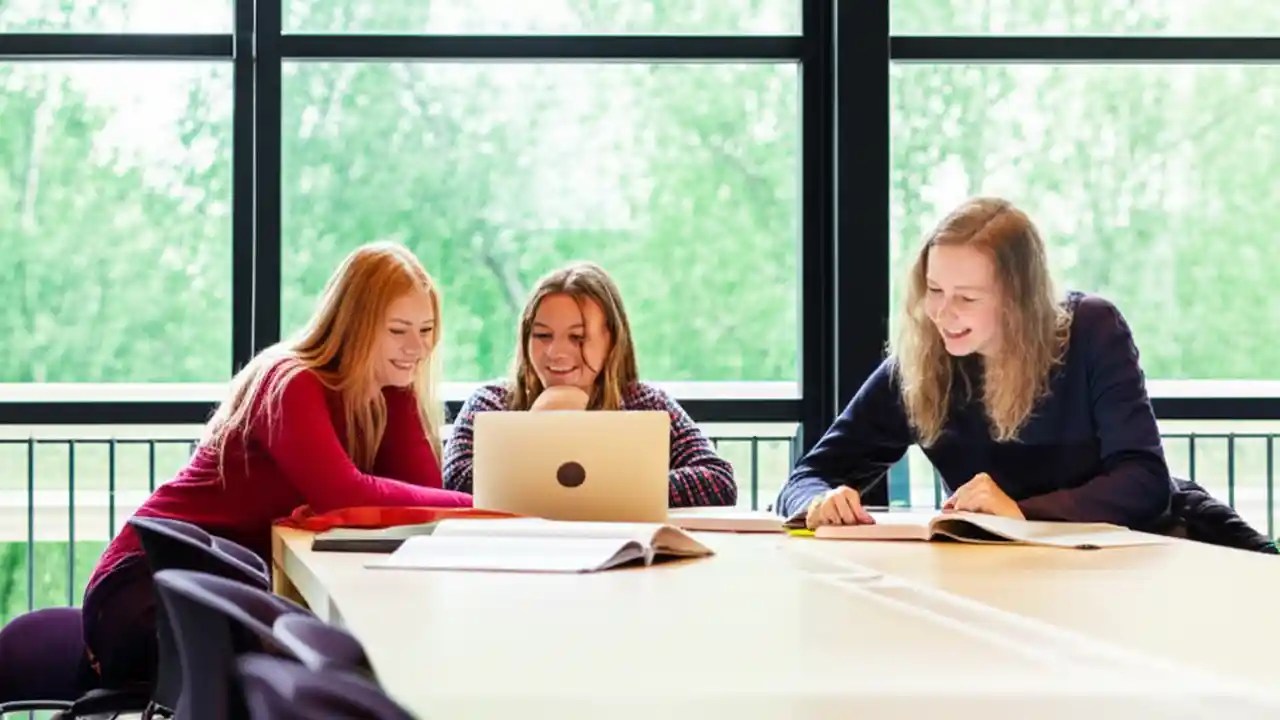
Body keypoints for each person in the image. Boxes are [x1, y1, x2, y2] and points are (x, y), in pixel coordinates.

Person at [82, 242, 472, 688]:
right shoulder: (291, 380)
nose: (418, 347)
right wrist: (481, 506)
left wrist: (397, 384)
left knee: (365, 659)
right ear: (354, 325)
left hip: (218, 593)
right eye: (398, 330)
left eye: (426, 330)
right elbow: (345, 494)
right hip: (146, 594)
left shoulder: (374, 394)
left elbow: (413, 498)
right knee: (341, 667)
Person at [776, 196, 1176, 530]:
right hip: (995, 574)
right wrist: (820, 502)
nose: (942, 313)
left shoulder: (1091, 329)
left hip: (1119, 568)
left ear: (1018, 301)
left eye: (966, 298)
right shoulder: (923, 362)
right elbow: (806, 478)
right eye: (934, 290)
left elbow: (1145, 482)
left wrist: (1019, 513)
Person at [443, 261, 736, 507]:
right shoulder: (492, 403)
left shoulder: (646, 404)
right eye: (542, 336)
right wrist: (536, 427)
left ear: (612, 340)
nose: (556, 352)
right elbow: (456, 481)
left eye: (577, 338)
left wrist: (600, 484)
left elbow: (718, 482)